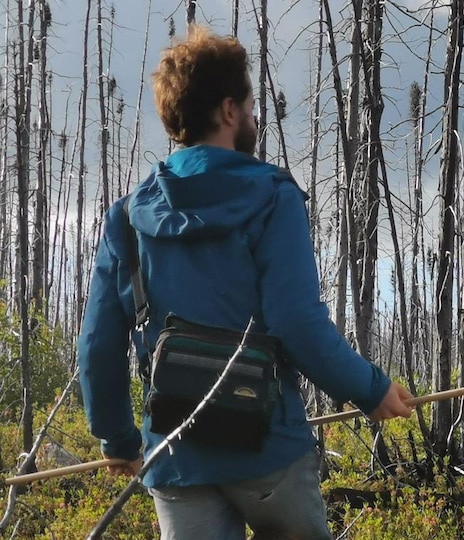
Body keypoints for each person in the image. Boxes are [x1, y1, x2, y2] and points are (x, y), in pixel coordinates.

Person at [76, 25, 413, 539]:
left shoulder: (126, 219)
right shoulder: (273, 197)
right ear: (229, 111)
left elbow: (97, 344)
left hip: (177, 458)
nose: (255, 117)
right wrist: (370, 389)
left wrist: (118, 441)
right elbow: (296, 323)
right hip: (270, 448)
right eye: (251, 107)